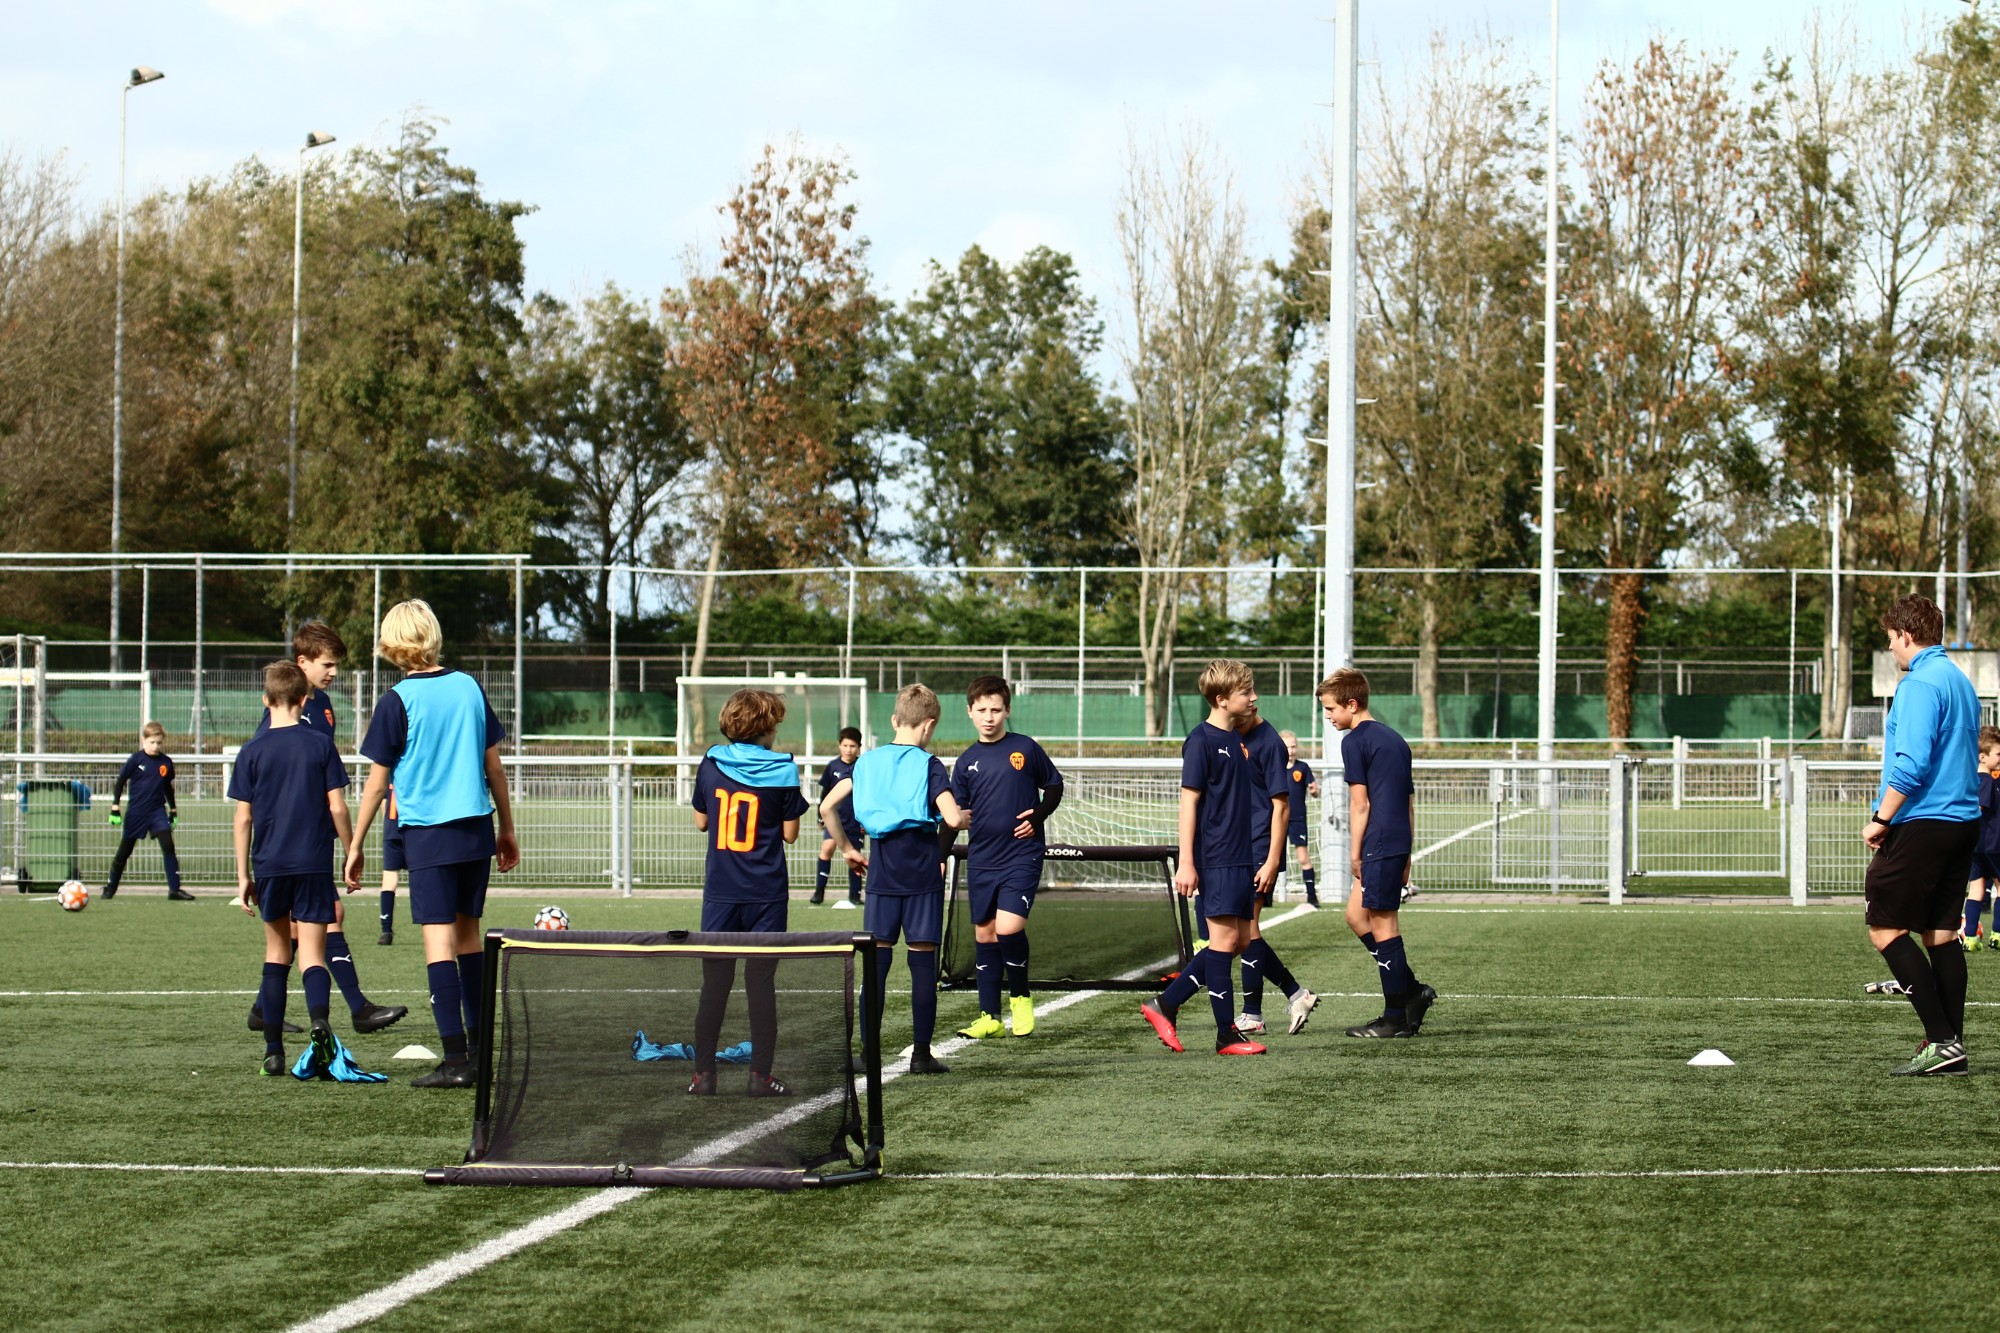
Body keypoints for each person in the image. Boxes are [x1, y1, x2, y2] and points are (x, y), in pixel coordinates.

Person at [343, 599, 521, 1089]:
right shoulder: (468, 686)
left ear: (392, 644)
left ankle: (457, 1061)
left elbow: (377, 786)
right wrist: (506, 828)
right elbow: (495, 768)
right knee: (469, 940)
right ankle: (482, 1055)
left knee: (439, 944)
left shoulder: (396, 700)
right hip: (475, 830)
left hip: (428, 834)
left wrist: (355, 844)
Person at [246, 620, 404, 1039]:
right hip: (296, 844)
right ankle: (357, 1008)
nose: (333, 671)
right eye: (327, 664)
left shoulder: (325, 705)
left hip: (314, 837)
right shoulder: (282, 717)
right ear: (302, 663)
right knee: (325, 917)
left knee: (309, 926)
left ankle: (265, 1008)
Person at [820, 684, 967, 1075]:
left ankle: (867, 1055)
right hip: (921, 878)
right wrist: (962, 818)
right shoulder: (930, 764)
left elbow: (826, 806)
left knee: (876, 970)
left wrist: (848, 848)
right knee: (921, 966)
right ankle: (921, 1054)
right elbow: (952, 818)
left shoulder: (865, 763)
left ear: (894, 720)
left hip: (882, 878)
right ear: (929, 725)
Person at [1863, 594, 1981, 1076]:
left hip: (1924, 821)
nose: (1891, 649)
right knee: (1941, 934)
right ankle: (1950, 1047)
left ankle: (1940, 1039)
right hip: (1963, 821)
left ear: (1906, 636)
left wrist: (1882, 818)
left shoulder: (1918, 684)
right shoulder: (1959, 680)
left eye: (1891, 639)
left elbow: (1910, 764)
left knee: (1885, 928)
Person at [1138, 659, 1270, 1057]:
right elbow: (1188, 803)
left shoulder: (1236, 740)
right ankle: (1226, 1033)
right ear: (1221, 698)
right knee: (1223, 941)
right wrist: (1187, 862)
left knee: (1239, 939)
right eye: (1246, 692)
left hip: (1239, 856)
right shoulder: (1201, 740)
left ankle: (1166, 1003)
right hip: (1215, 858)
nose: (1254, 698)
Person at [231, 662, 354, 1076]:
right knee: (314, 954)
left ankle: (273, 1051)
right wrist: (352, 850)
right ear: (305, 700)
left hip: (270, 865)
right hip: (313, 862)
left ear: (266, 701)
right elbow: (337, 806)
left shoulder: (251, 751)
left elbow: (243, 819)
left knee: (277, 952)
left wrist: (243, 875)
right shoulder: (321, 745)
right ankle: (320, 1022)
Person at [689, 688, 812, 1096]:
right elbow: (791, 835)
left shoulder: (710, 762)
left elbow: (701, 823)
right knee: (761, 985)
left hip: (721, 893)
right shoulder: (784, 769)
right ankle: (760, 1075)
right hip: (766, 893)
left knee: (715, 984)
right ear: (766, 727)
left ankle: (703, 1075)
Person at [1321, 667, 1435, 1038]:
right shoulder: (1396, 739)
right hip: (1395, 840)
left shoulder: (1354, 741)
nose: (1328, 716)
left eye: (1331, 709)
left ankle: (1394, 1017)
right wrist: (1408, 852)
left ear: (1352, 704)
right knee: (1356, 917)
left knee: (1384, 925)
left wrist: (1355, 853)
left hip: (1378, 843)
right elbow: (1409, 802)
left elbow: (1360, 805)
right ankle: (1414, 991)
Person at [950, 675, 1063, 1041]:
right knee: (984, 933)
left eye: (996, 709)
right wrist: (939, 855)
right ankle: (989, 1017)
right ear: (969, 712)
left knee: (1008, 928)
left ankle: (1020, 999)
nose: (989, 717)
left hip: (1022, 855)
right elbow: (955, 815)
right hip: (982, 859)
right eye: (981, 710)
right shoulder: (966, 762)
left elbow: (1055, 786)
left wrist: (1039, 815)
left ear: (1007, 710)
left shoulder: (1026, 748)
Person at [1233, 703, 1318, 1037]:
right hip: (1243, 842)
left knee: (1247, 929)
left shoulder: (1268, 743)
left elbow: (1279, 806)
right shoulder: (1235, 737)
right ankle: (1298, 994)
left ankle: (1252, 1013)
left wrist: (1270, 859)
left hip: (1260, 844)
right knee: (1245, 933)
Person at [103, 720, 191, 901]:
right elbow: (120, 781)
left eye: (159, 743)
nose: (155, 746)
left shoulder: (166, 762)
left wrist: (173, 810)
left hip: (157, 811)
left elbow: (167, 787)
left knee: (168, 846)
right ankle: (110, 888)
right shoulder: (136, 760)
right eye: (152, 742)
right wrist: (115, 807)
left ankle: (174, 889)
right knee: (125, 851)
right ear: (144, 740)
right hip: (136, 812)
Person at [815, 727, 866, 908]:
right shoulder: (833, 767)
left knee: (855, 856)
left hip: (854, 821)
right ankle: (819, 892)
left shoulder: (861, 767)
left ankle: (855, 895)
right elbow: (825, 793)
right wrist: (819, 816)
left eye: (852, 746)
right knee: (827, 848)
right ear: (839, 745)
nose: (848, 749)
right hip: (834, 819)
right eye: (845, 745)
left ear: (859, 747)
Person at [1961, 727, 2000, 952]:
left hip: (1975, 846)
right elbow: (1979, 808)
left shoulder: (1972, 778)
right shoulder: (1986, 781)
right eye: (1998, 755)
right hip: (1994, 844)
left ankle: (1970, 938)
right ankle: (1997, 934)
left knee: (1975, 889)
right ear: (1983, 756)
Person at [1279, 729, 1321, 908]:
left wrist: (1314, 791)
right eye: (1287, 747)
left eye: (1293, 747)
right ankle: (1263, 897)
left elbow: (1315, 791)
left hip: (1297, 819)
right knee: (1271, 857)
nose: (1291, 751)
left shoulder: (1302, 768)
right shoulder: (1275, 767)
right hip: (1278, 818)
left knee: (1303, 857)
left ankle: (1312, 896)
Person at [377, 783, 403, 946]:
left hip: (392, 829)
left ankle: (386, 929)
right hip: (418, 829)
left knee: (389, 878)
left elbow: (384, 803)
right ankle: (434, 924)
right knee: (423, 877)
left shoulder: (388, 770)